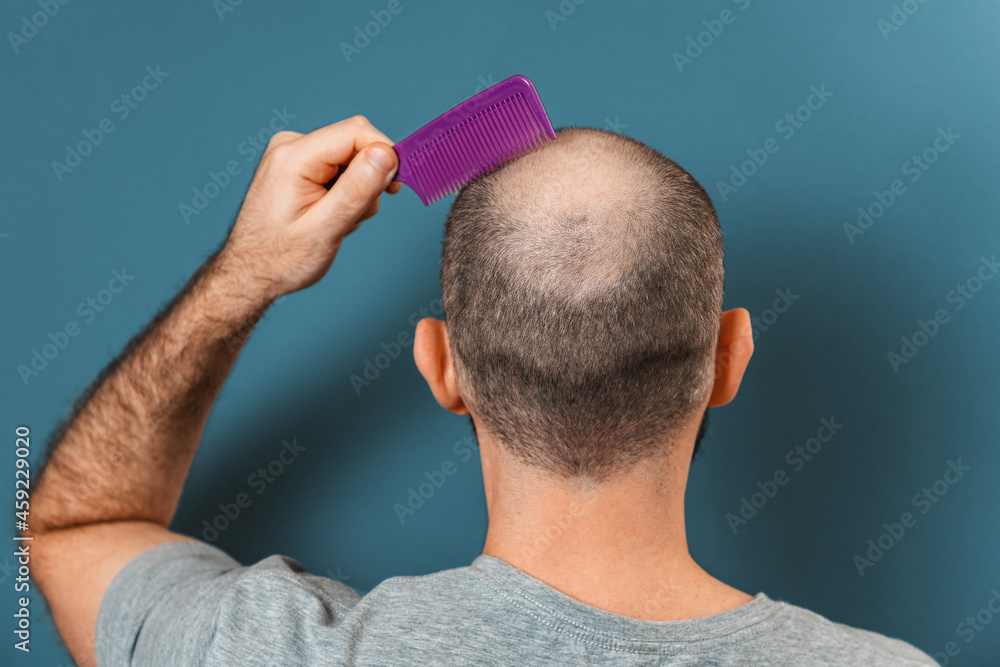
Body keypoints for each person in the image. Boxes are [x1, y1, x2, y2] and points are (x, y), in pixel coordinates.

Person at [27, 117, 936, 666]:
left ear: (440, 367)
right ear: (730, 359)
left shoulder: (269, 648)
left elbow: (76, 525)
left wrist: (245, 274)